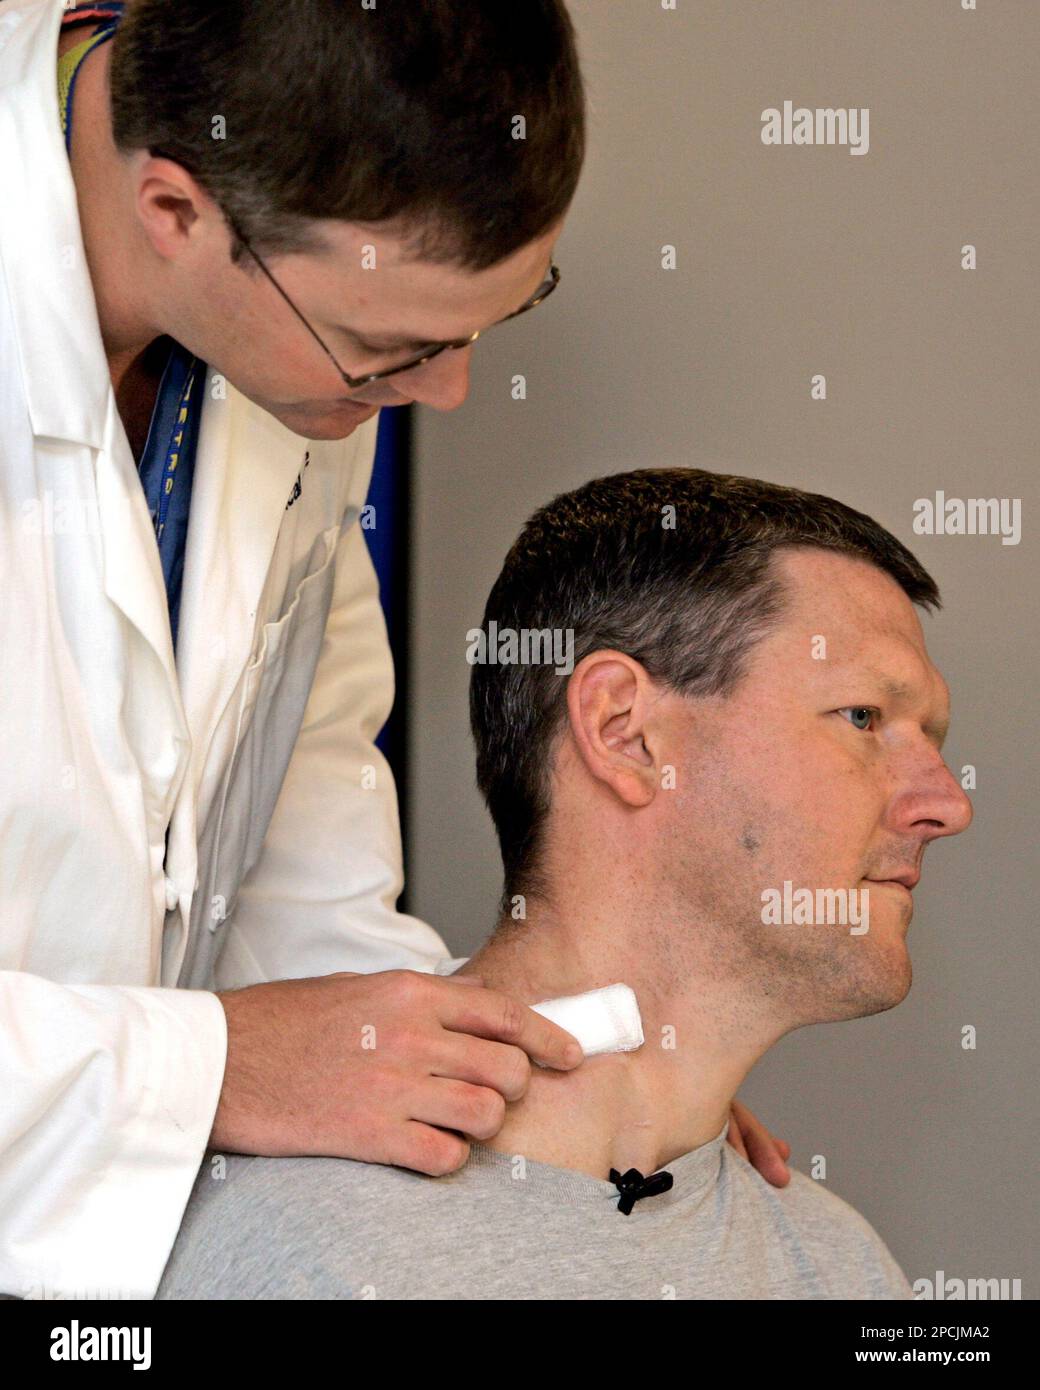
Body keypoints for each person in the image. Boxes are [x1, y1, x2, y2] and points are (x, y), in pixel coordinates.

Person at [0, 3, 786, 1300]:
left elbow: (297, 776)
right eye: (392, 350)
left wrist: (495, 1079)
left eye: (496, 316)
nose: (446, 391)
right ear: (175, 211)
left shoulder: (282, 338)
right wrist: (208, 1071)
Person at [156, 467, 973, 1300]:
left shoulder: (843, 1269)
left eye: (932, 737)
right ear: (626, 733)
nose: (947, 804)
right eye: (865, 718)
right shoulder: (294, 1252)